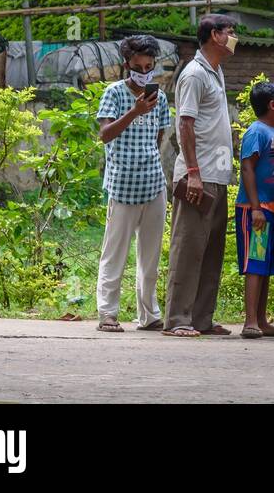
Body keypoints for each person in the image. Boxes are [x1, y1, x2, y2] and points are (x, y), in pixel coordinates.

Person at [164, 14, 237, 338]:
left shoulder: (215, 72)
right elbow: (185, 124)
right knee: (188, 247)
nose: (234, 37)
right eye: (229, 32)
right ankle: (177, 319)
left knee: (211, 250)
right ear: (212, 35)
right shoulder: (194, 74)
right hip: (199, 174)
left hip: (216, 175)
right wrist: (193, 172)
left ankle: (201, 318)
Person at [94, 34, 171, 333]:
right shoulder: (113, 93)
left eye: (149, 66)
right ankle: (107, 314)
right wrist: (135, 112)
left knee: (150, 256)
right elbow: (105, 134)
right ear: (127, 65)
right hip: (122, 186)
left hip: (153, 184)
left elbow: (159, 137)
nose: (144, 72)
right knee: (115, 253)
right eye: (138, 67)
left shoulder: (160, 98)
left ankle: (149, 314)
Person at [236, 81, 274, 339]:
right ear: (272, 104)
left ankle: (263, 320)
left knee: (266, 265)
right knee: (255, 263)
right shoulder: (256, 132)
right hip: (256, 210)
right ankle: (250, 321)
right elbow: (247, 168)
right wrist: (255, 208)